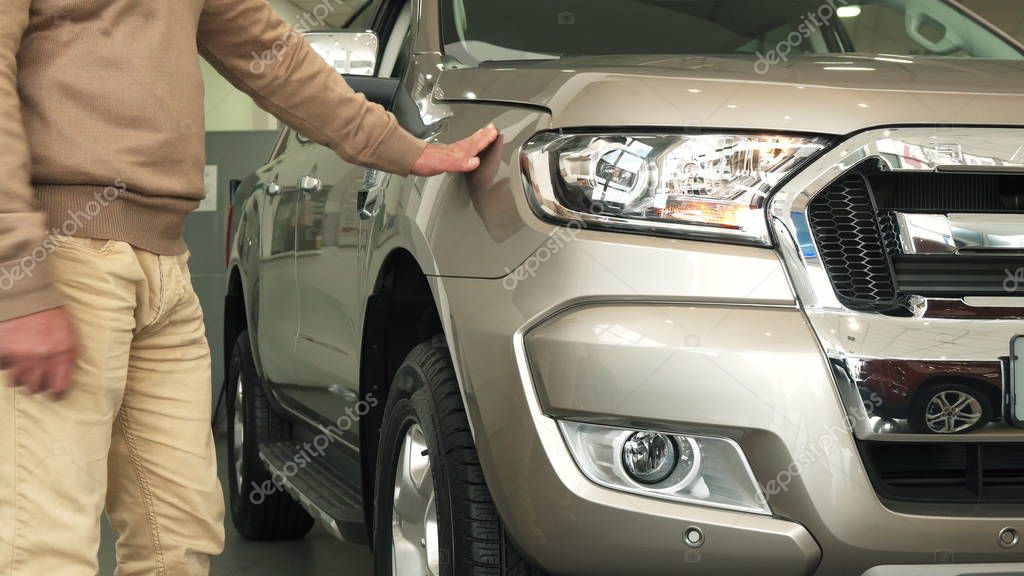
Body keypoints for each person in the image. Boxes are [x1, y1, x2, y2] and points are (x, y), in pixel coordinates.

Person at [0, 1, 498, 574]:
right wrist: (21, 285)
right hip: (64, 255)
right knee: (46, 546)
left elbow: (273, 55)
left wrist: (408, 151)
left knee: (180, 537)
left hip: (164, 265)